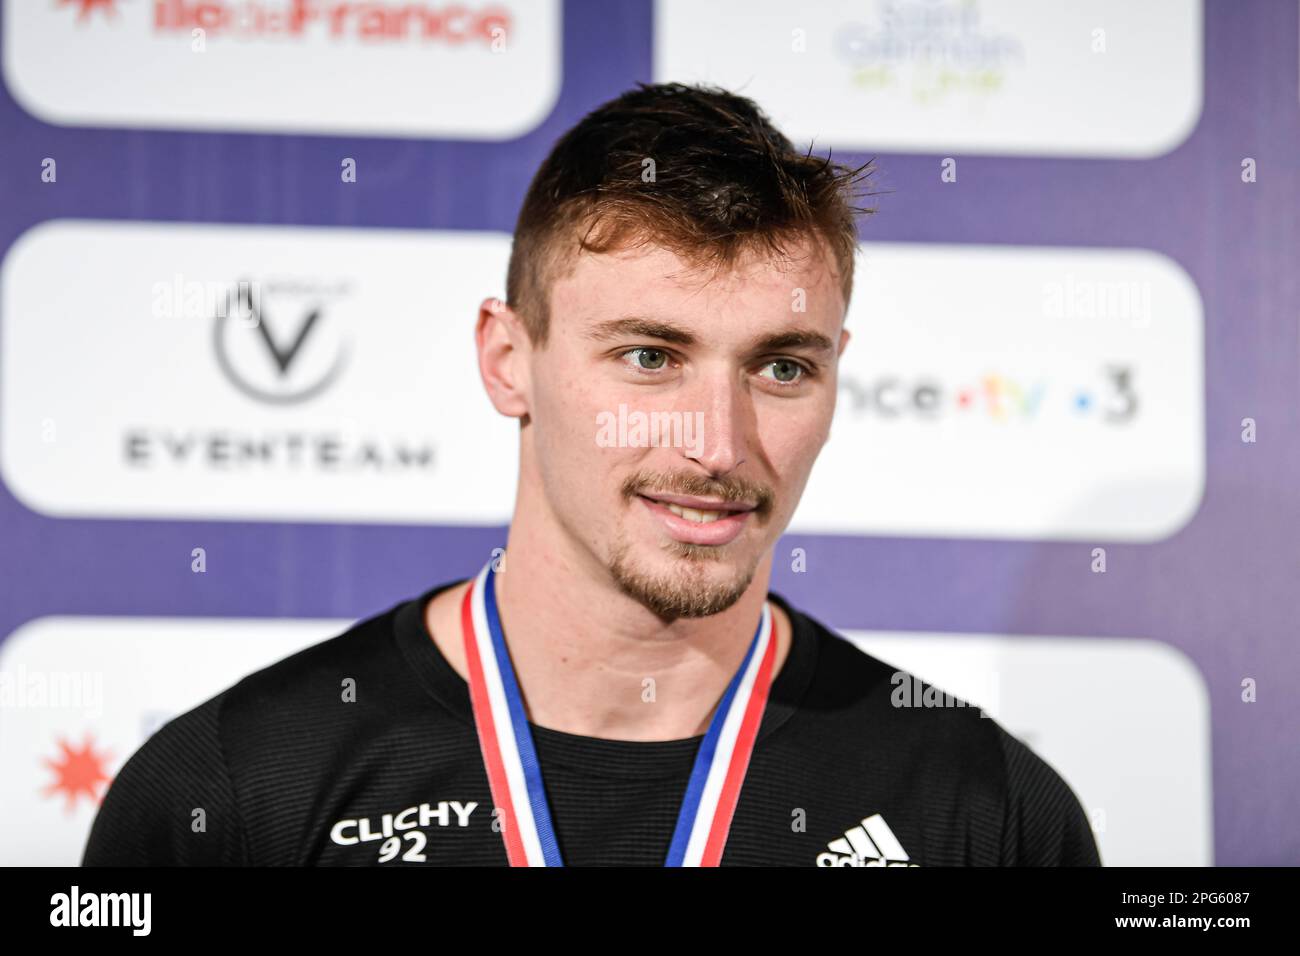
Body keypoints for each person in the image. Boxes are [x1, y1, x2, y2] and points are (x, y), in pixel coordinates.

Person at [83, 82, 1100, 867]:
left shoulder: (986, 809)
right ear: (506, 359)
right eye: (650, 356)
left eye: (782, 365)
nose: (717, 445)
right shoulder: (232, 788)